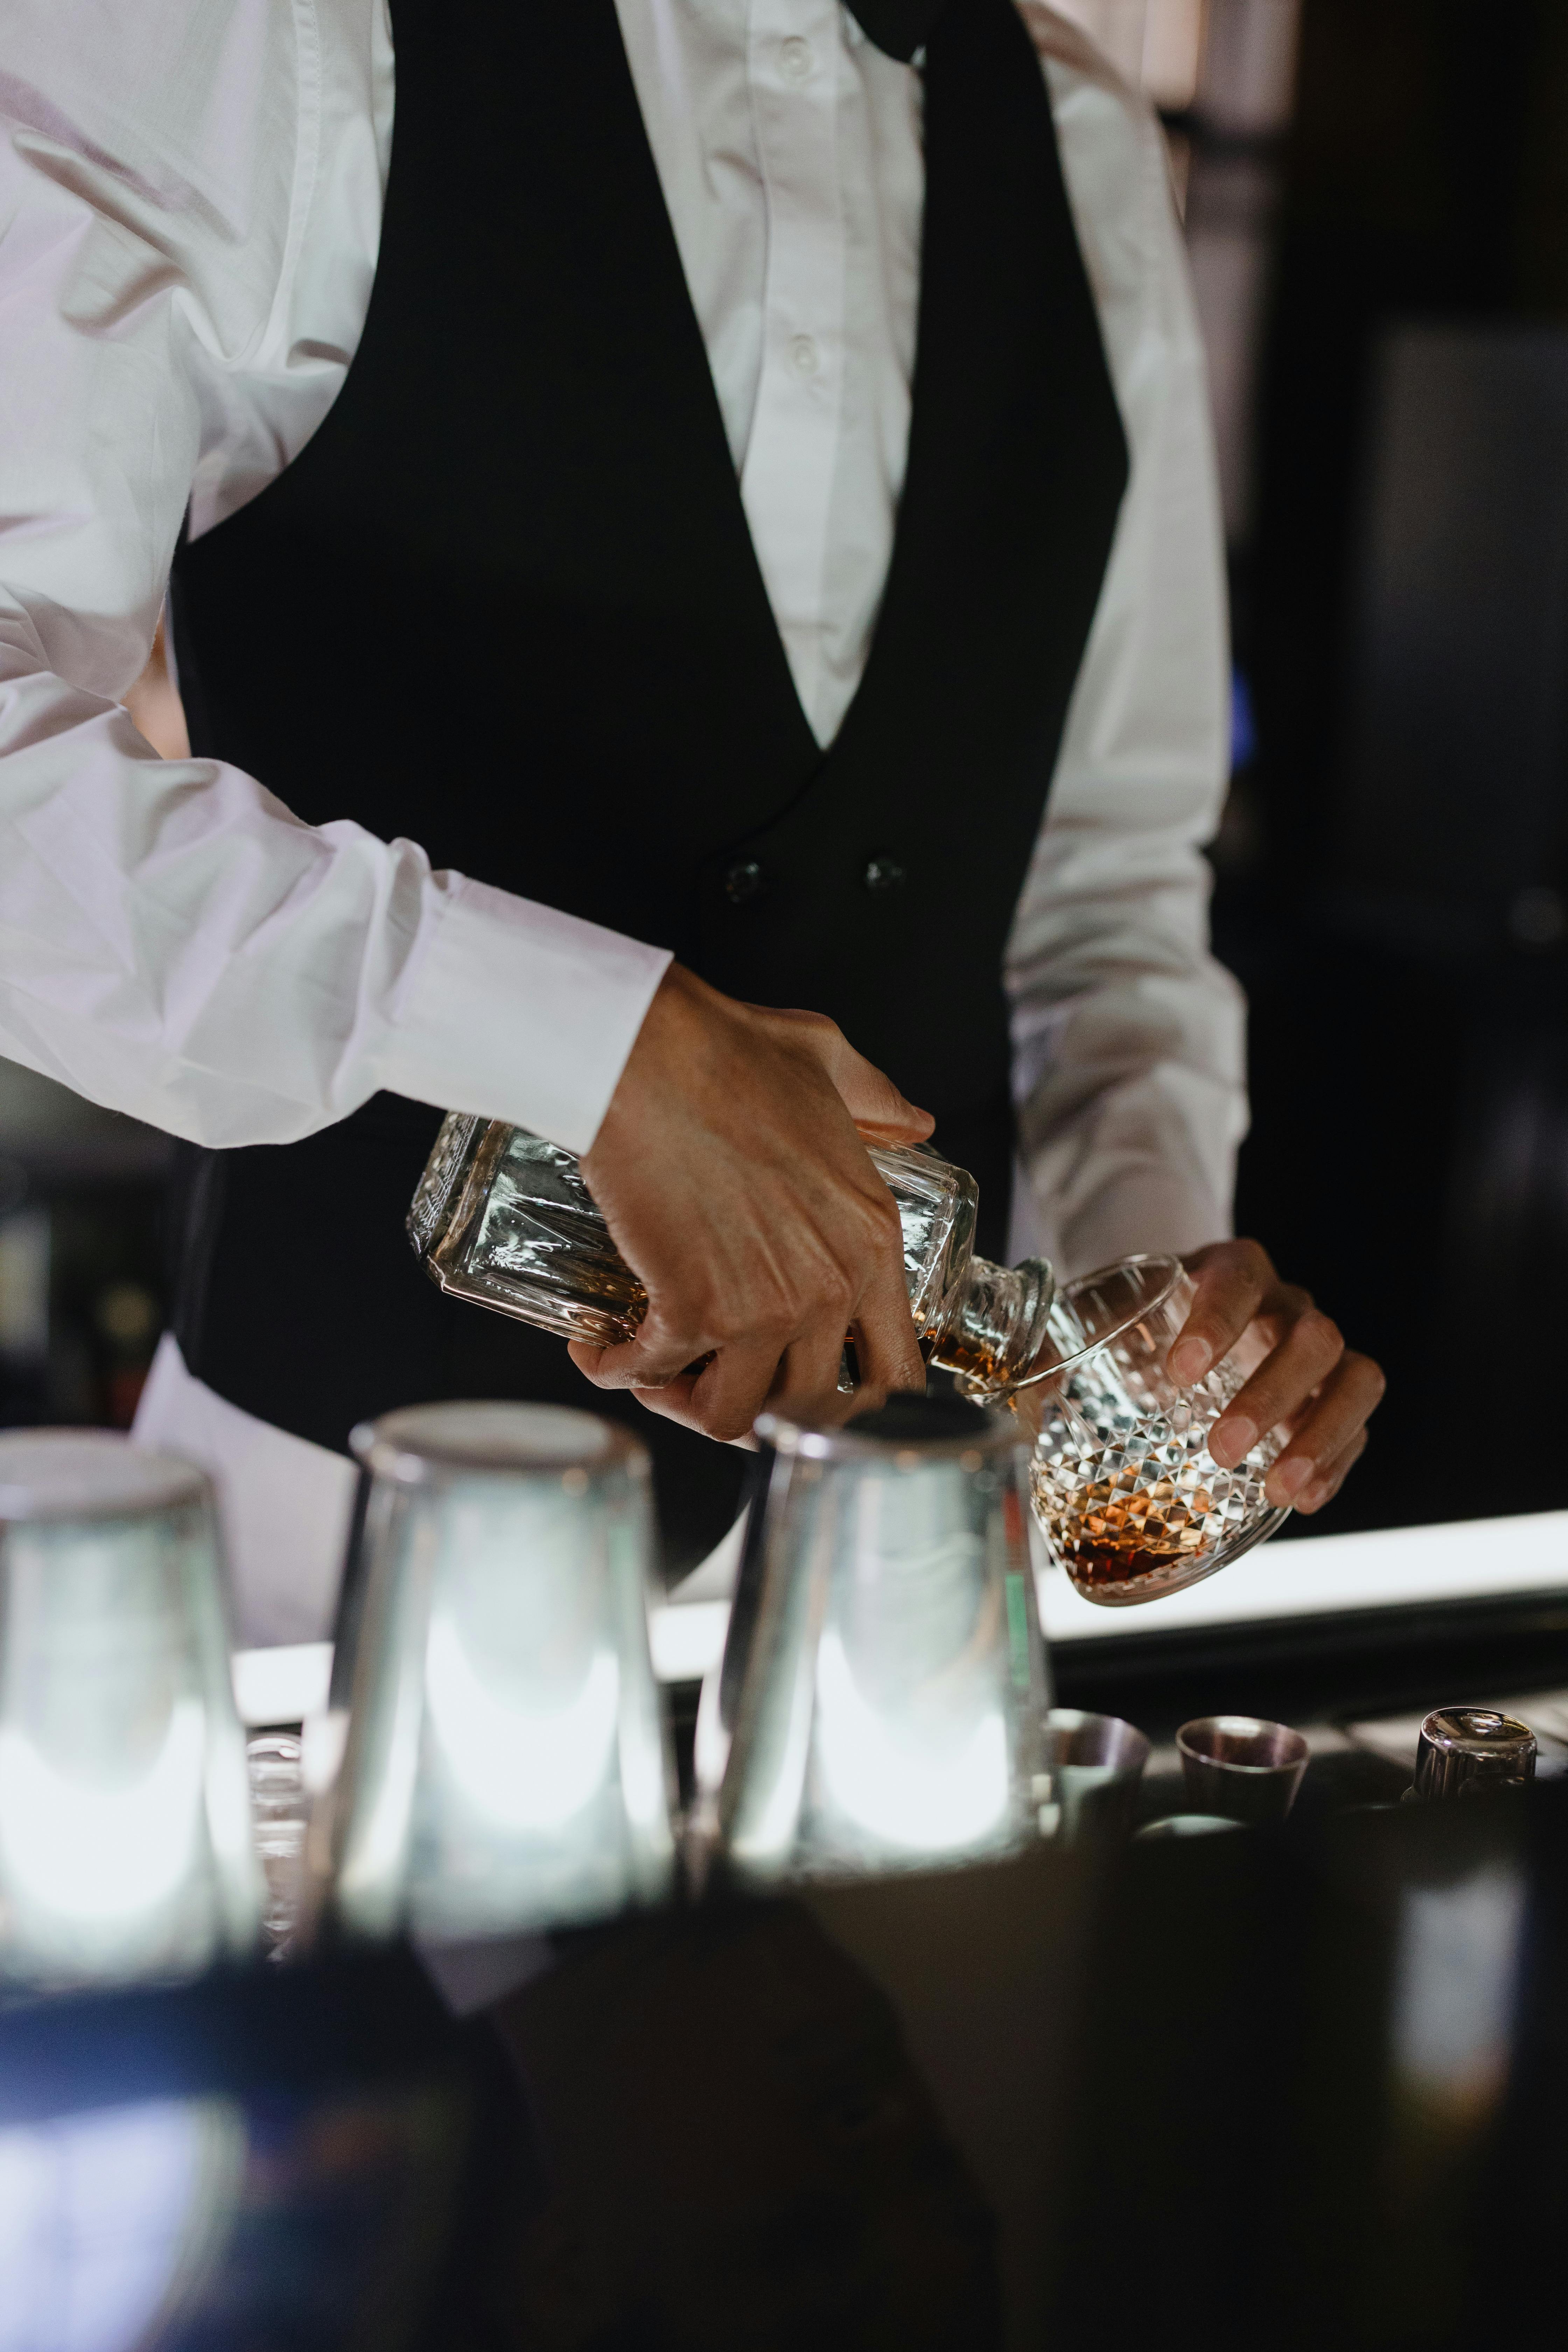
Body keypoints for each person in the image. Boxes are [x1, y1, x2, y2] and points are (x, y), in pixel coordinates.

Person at [0, 0, 1382, 1644]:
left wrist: (1148, 1322)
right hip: (331, 1565)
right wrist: (594, 1046)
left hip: (907, 1608)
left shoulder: (1081, 134)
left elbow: (1105, 895)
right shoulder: (244, 36)